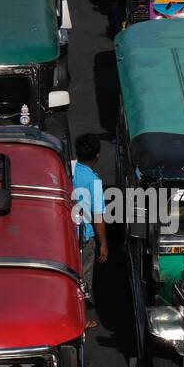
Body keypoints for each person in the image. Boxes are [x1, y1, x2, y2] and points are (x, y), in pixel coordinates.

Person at [72, 133, 108, 322]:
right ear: (97, 155)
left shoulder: (67, 168)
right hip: (84, 237)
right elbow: (98, 216)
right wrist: (103, 244)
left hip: (65, 233)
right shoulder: (94, 181)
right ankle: (80, 319)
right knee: (83, 277)